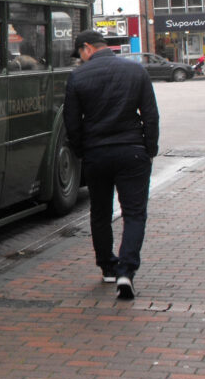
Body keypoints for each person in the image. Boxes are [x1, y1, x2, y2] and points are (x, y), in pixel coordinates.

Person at [64, 29, 159, 300]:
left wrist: (82, 151)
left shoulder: (78, 77)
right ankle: (126, 271)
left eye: (80, 54)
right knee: (134, 213)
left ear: (87, 48)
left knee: (100, 212)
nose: (80, 59)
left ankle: (107, 266)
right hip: (132, 151)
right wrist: (149, 149)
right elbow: (150, 114)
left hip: (96, 154)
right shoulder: (135, 71)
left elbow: (72, 122)